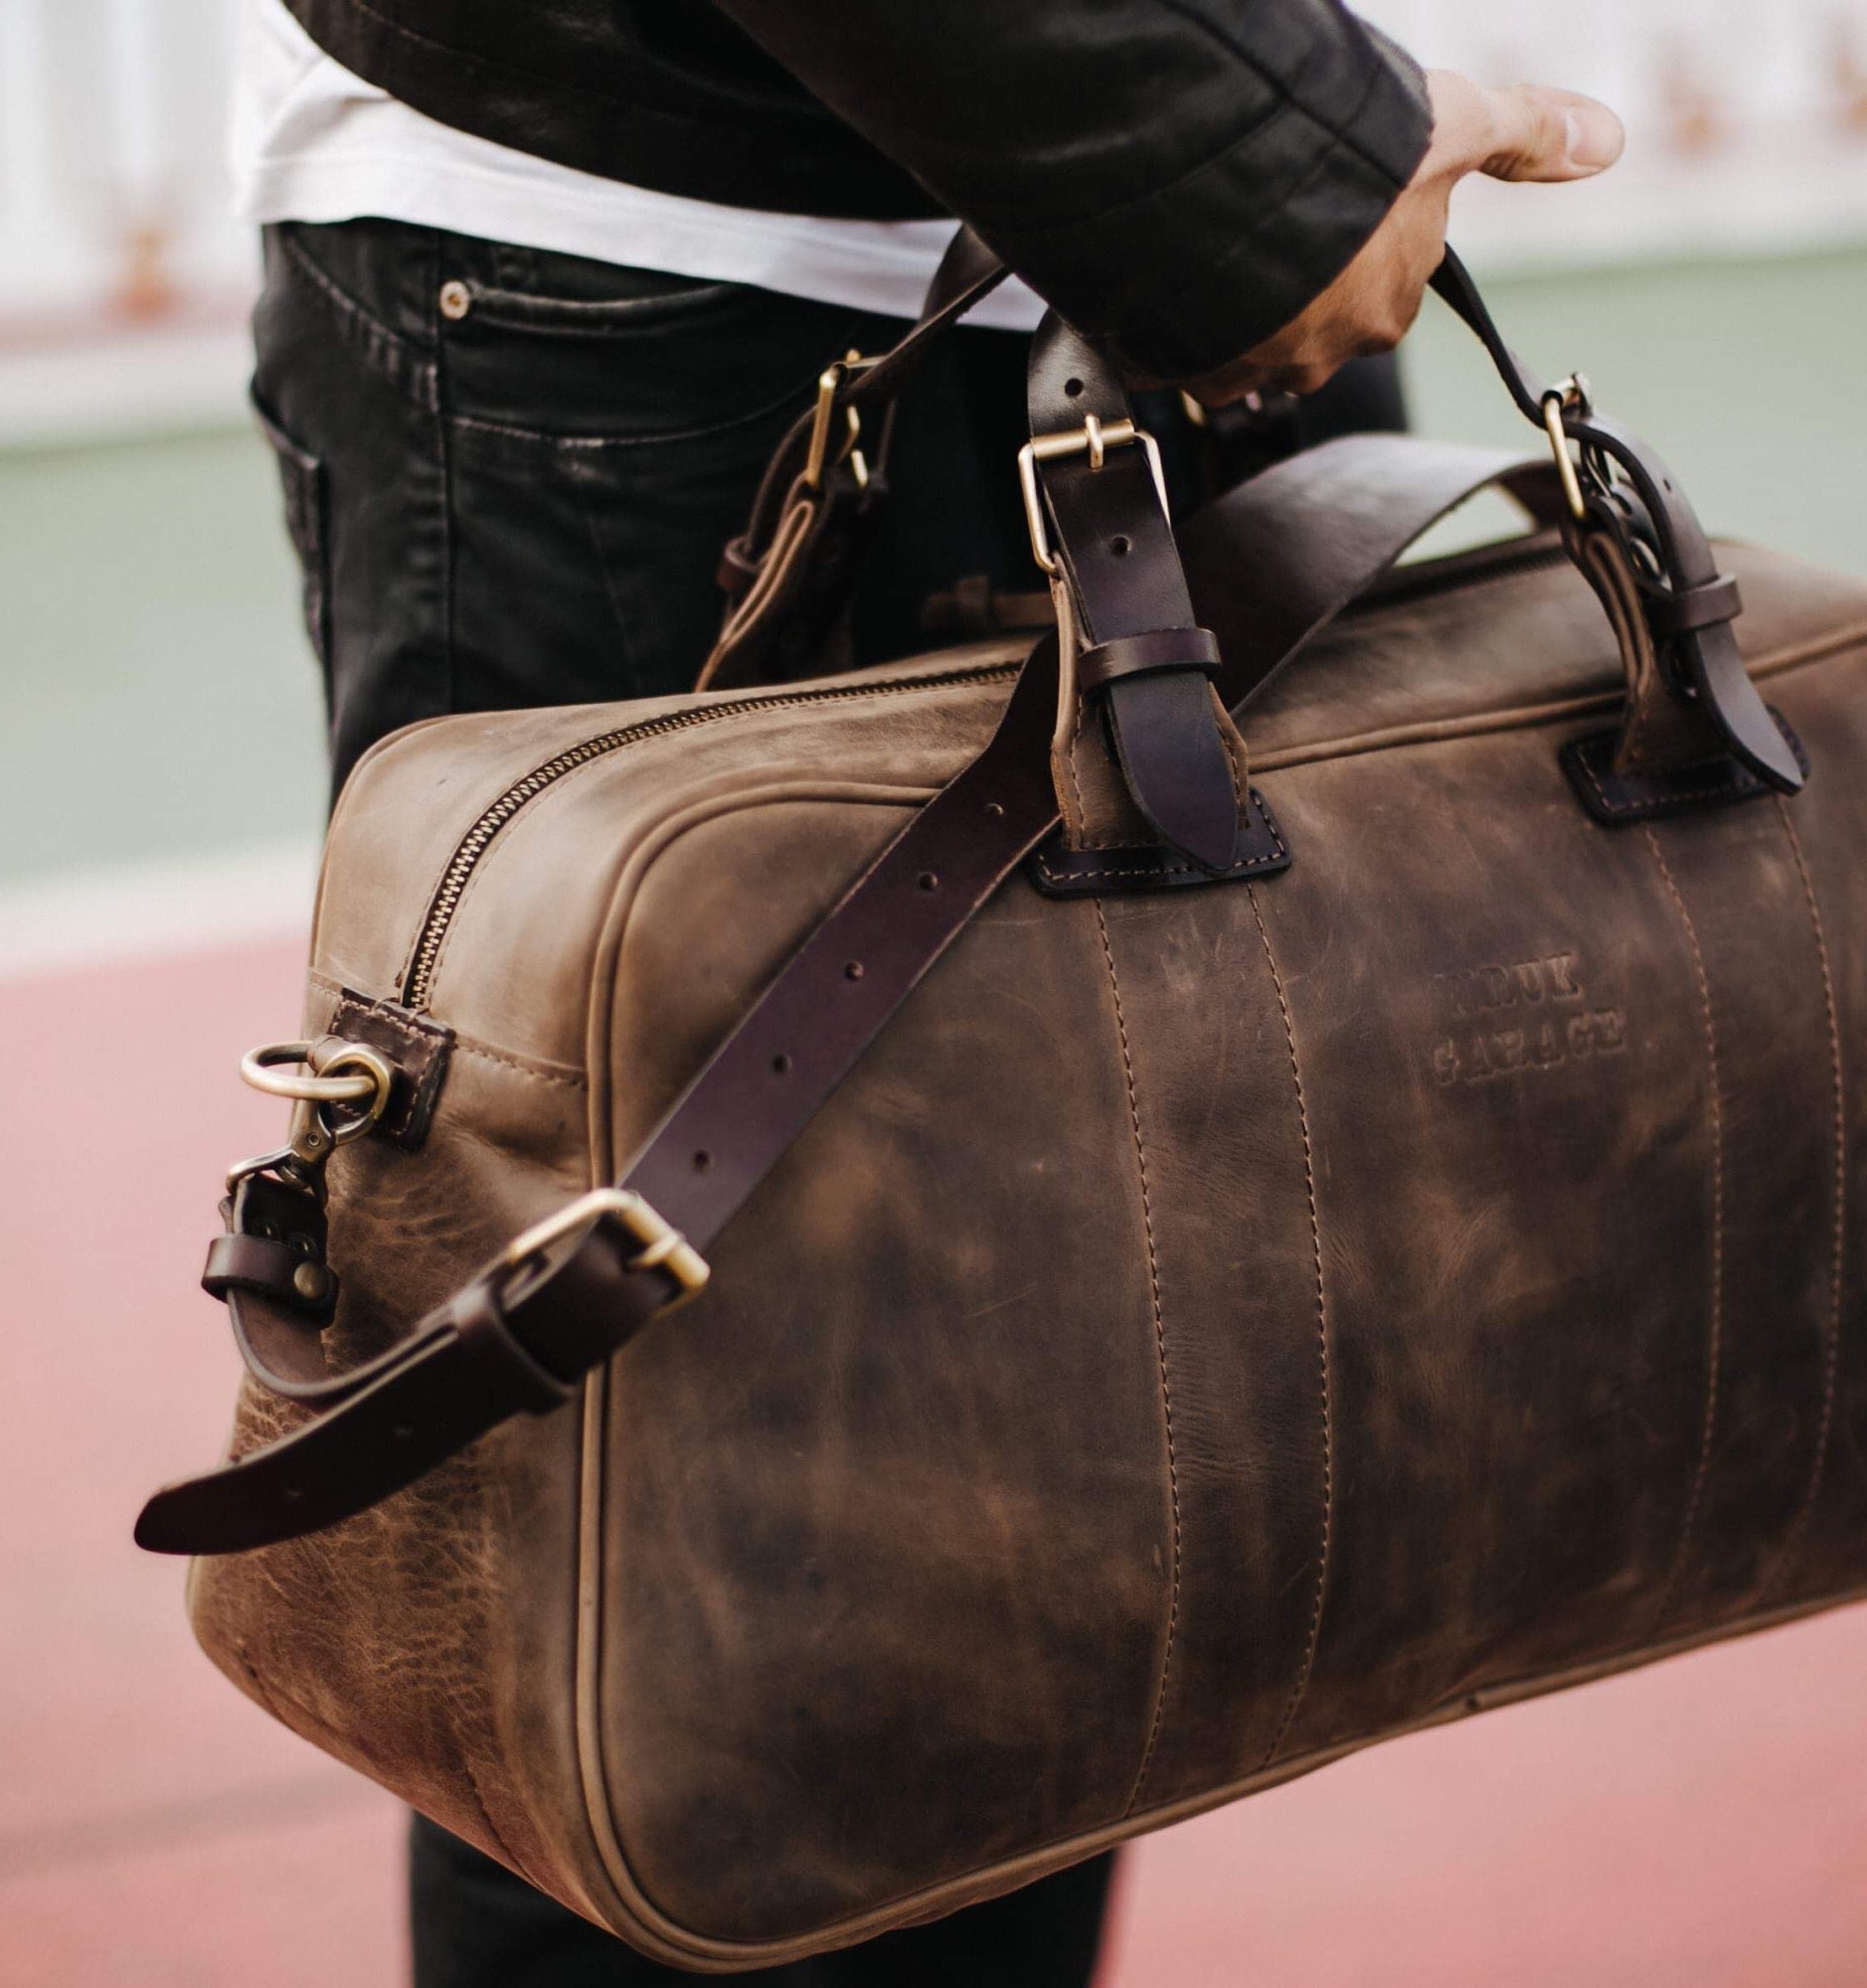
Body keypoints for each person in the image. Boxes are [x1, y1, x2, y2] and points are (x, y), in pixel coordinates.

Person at [232, 0, 1620, 1975]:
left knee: (1091, 1448)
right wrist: (1270, 148)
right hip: (691, 259)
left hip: (1158, 204)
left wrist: (1270, 142)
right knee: (649, 1564)